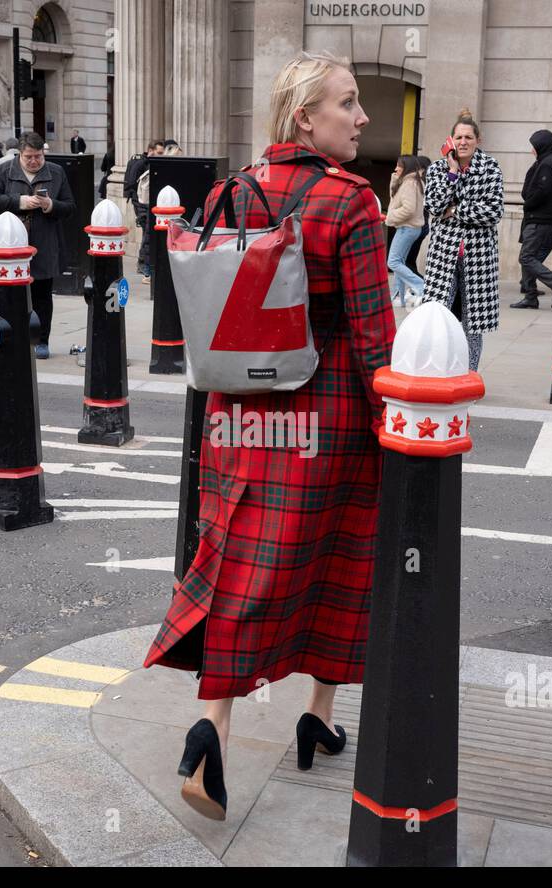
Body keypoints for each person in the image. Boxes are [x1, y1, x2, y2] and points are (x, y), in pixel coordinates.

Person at [143, 51, 396, 822]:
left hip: (239, 417)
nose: (360, 118)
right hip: (330, 425)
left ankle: (212, 727)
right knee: (343, 568)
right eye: (347, 105)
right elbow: (375, 337)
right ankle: (317, 712)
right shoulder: (351, 202)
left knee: (241, 566)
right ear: (304, 119)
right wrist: (403, 428)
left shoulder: (230, 192)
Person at [422, 109, 504, 372]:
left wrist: (456, 210)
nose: (463, 142)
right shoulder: (437, 169)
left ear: (477, 140)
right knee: (436, 319)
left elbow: (493, 211)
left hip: (478, 256)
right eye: (458, 137)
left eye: (468, 137)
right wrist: (453, 174)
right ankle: (435, 371)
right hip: (443, 256)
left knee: (473, 325)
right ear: (451, 140)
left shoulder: (490, 168)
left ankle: (469, 375)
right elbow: (434, 206)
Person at [0, 131, 77, 359]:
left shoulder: (55, 172)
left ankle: (41, 340)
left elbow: (69, 206)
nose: (34, 161)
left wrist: (49, 205)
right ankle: (12, 335)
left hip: (45, 242)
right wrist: (19, 202)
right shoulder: (5, 171)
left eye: (38, 156)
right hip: (11, 245)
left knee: (42, 296)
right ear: (20, 155)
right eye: (29, 157)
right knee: (11, 294)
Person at [511, 129, 552, 309]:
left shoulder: (547, 163)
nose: (532, 150)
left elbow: (542, 191)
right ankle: (530, 295)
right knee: (530, 257)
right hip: (545, 219)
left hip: (539, 219)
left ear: (542, 145)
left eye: (534, 146)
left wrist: (528, 204)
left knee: (526, 258)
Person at [385, 153, 426, 307]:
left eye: (399, 165)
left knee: (393, 262)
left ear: (406, 167)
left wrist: (391, 216)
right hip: (409, 228)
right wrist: (395, 179)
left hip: (407, 228)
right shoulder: (411, 181)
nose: (396, 168)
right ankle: (398, 297)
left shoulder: (410, 183)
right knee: (399, 261)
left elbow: (408, 209)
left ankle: (422, 287)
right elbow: (394, 200)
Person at [124, 139, 163, 279]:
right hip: (141, 203)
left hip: (143, 203)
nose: (161, 155)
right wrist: (139, 207)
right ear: (151, 150)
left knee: (147, 235)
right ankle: (142, 263)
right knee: (147, 235)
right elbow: (132, 184)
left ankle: (142, 262)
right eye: (159, 152)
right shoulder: (141, 163)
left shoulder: (147, 162)